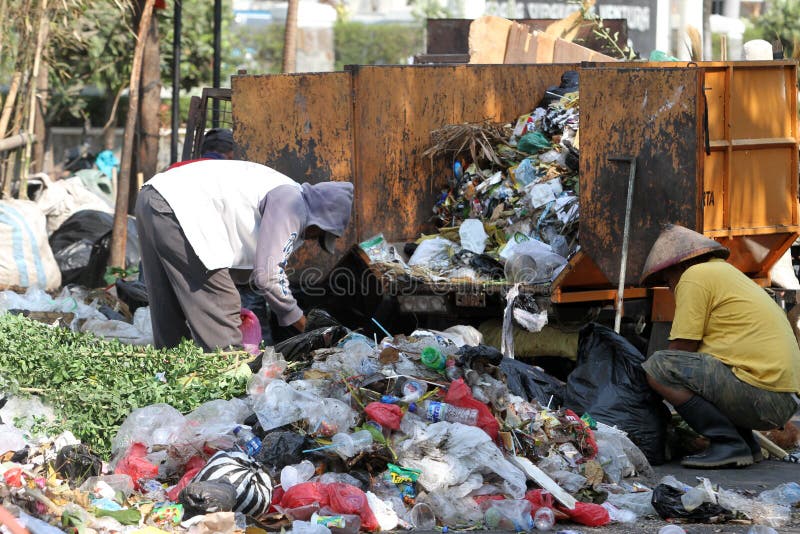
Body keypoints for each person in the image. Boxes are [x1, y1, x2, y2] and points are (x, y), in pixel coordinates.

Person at [135, 158, 354, 351]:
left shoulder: (284, 192)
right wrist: (302, 324)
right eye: (319, 234)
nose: (312, 239)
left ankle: (172, 375)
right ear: (320, 220)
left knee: (168, 308)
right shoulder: (292, 202)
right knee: (223, 303)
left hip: (153, 197)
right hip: (178, 206)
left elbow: (248, 267)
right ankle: (230, 387)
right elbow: (268, 276)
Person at [640, 224, 800, 468]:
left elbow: (681, 349)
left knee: (659, 367)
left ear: (679, 266)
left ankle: (728, 443)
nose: (671, 288)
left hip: (763, 397)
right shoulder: (724, 272)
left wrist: (648, 389)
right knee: (708, 369)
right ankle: (746, 445)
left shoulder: (694, 276)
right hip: (780, 398)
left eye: (667, 280)